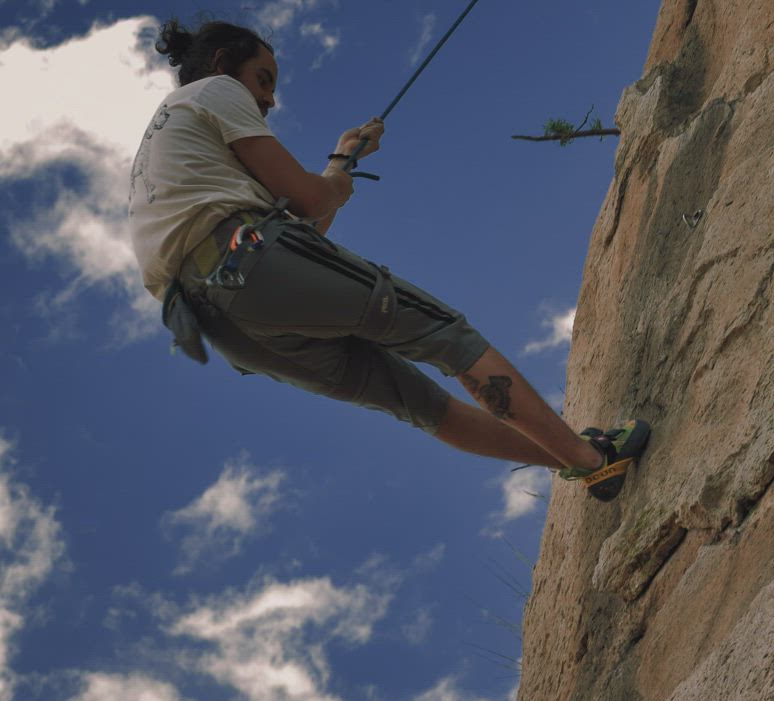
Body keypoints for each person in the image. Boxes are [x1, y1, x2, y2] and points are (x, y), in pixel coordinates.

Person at [128, 18, 648, 501]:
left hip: (220, 321)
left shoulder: (167, 154)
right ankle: (589, 455)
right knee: (447, 336)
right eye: (263, 80)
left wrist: (339, 165)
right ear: (222, 62)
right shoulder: (215, 91)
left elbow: (302, 234)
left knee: (415, 404)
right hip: (248, 261)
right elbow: (310, 201)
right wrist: (334, 181)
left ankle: (579, 462)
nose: (267, 99)